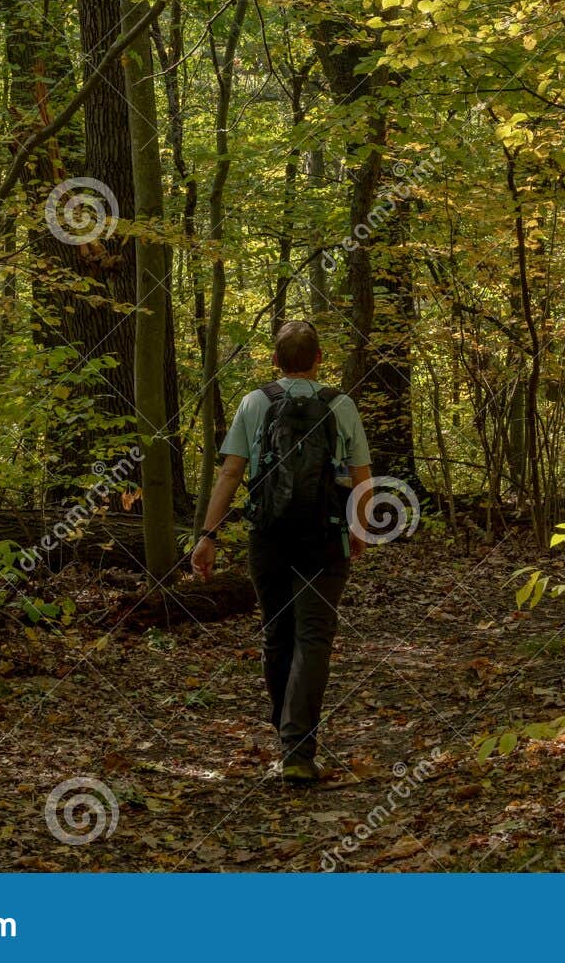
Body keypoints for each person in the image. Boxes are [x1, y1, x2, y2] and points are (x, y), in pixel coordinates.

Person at [190, 320, 371, 785]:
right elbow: (363, 476)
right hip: (325, 537)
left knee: (277, 634)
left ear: (275, 361)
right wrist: (358, 528)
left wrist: (208, 534)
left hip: (268, 536)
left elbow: (231, 473)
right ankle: (297, 748)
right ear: (318, 360)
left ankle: (286, 735)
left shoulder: (255, 402)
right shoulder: (341, 404)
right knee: (314, 638)